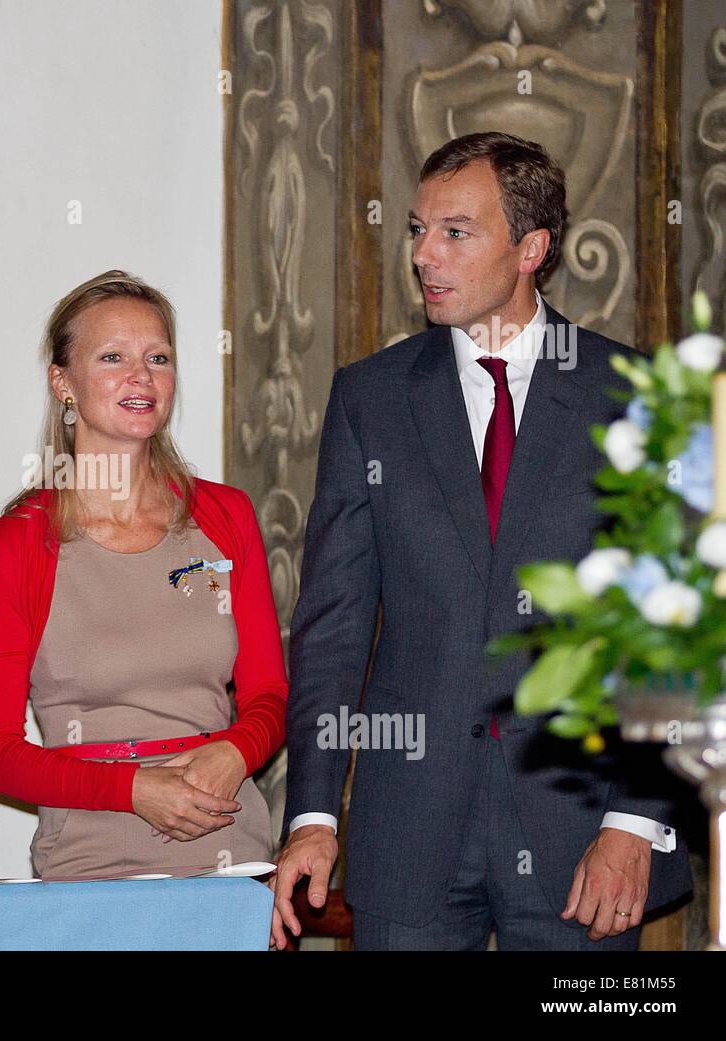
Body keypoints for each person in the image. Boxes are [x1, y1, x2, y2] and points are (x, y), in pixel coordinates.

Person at [270, 132, 693, 950]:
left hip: (584, 839)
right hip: (409, 836)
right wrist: (314, 814)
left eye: (455, 232)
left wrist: (635, 819)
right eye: (417, 229)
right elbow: (333, 625)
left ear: (530, 248)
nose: (425, 254)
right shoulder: (370, 398)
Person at [0, 270, 287, 878]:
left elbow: (269, 694)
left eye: (158, 358)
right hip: (93, 860)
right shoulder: (13, 546)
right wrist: (133, 790)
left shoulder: (228, 515)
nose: (142, 376)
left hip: (228, 849)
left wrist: (236, 752)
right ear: (63, 382)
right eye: (113, 357)